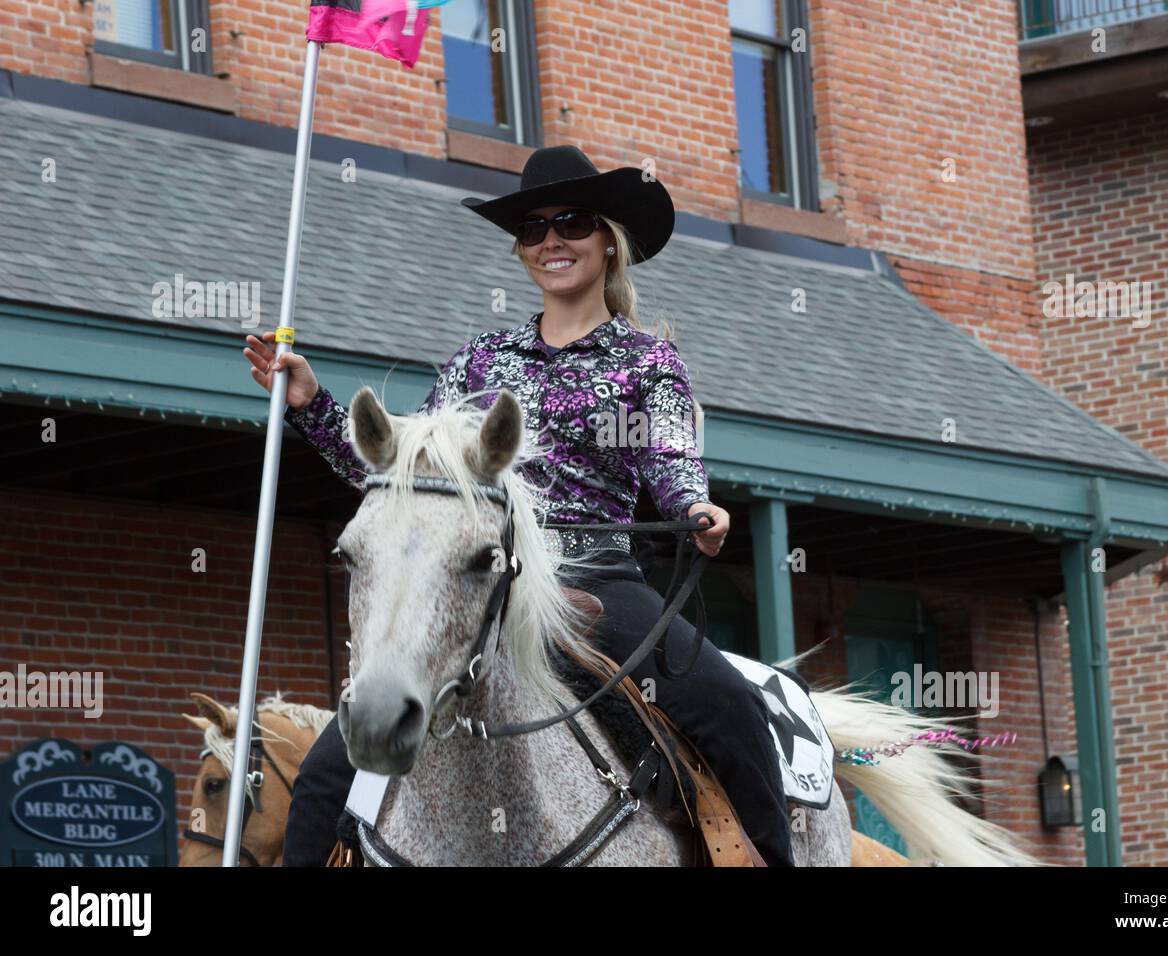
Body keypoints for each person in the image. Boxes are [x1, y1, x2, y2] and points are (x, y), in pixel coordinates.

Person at [242, 144, 794, 867]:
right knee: (323, 773)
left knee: (727, 707)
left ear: (608, 239)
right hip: (482, 579)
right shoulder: (481, 359)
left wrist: (697, 509)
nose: (551, 241)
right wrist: (313, 406)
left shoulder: (649, 361)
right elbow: (408, 474)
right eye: (533, 229)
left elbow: (671, 461)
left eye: (570, 222)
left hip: (594, 587)